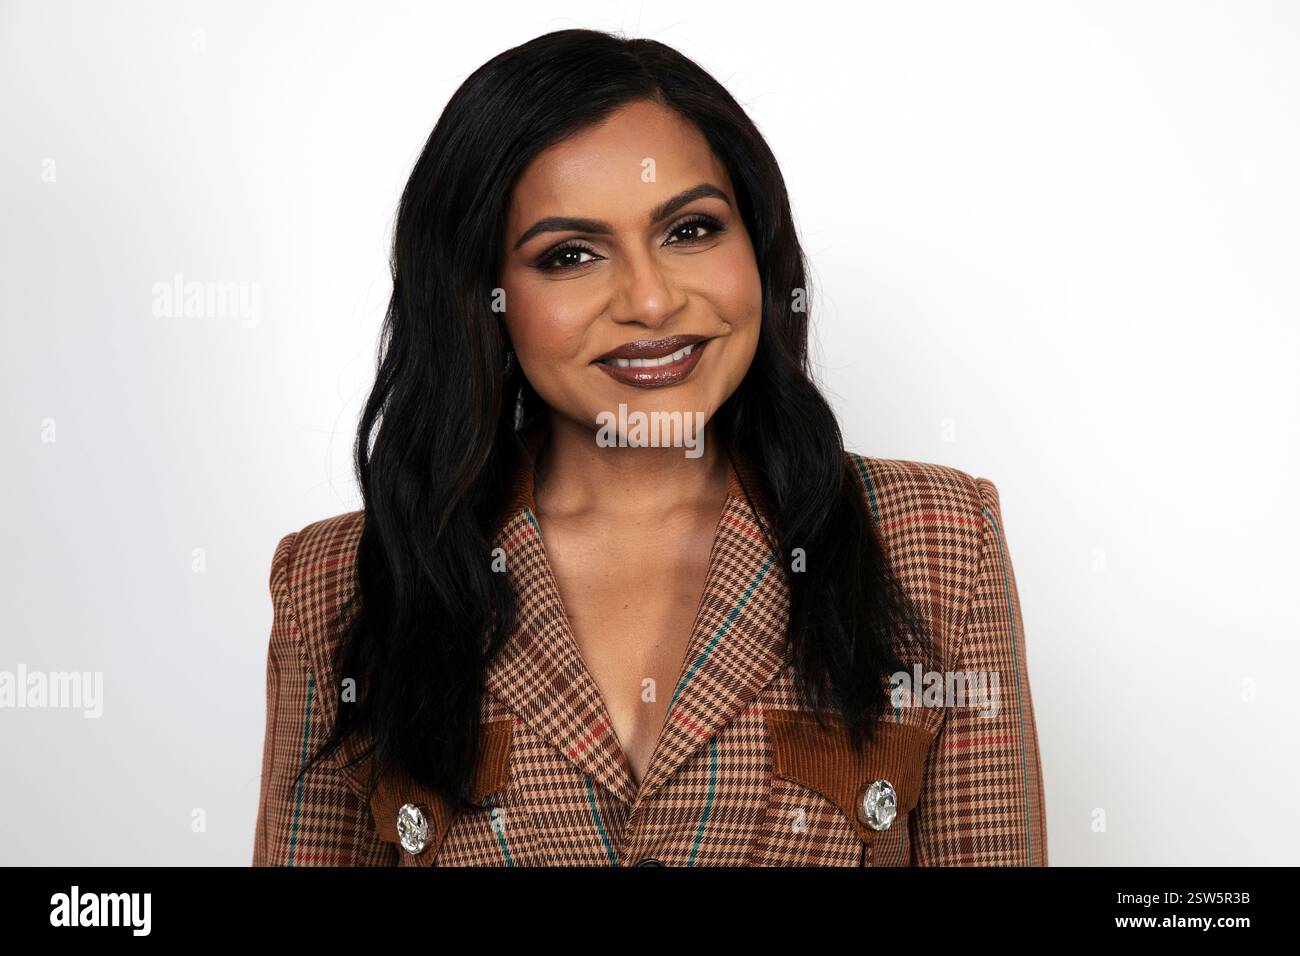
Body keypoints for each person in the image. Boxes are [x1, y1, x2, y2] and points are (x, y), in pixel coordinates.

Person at [252, 28, 1047, 867]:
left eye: (691, 230)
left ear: (759, 246)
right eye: (570, 255)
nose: (651, 299)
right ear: (481, 298)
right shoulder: (341, 585)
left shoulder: (937, 543)